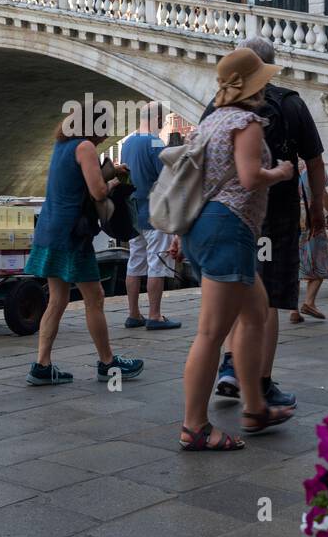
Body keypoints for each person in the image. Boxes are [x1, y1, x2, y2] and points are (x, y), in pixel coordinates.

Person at [173, 48, 296, 450]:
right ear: (254, 84)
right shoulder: (247, 122)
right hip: (230, 226)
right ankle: (195, 426)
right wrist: (280, 171)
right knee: (211, 332)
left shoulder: (211, 122)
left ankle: (255, 406)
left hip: (203, 225)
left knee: (256, 312)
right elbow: (248, 177)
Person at [207, 37, 326, 409]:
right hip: (276, 214)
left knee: (234, 289)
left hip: (227, 214)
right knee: (269, 298)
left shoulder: (217, 104)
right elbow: (315, 161)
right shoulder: (290, 104)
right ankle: (261, 379)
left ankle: (229, 366)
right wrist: (318, 207)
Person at [24, 118, 144, 386]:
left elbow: (76, 182)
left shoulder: (63, 145)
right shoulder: (85, 147)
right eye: (105, 129)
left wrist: (110, 171)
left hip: (50, 229)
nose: (107, 135)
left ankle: (42, 365)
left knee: (57, 300)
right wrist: (113, 184)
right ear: (93, 126)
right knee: (95, 298)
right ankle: (107, 363)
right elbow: (98, 192)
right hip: (72, 235)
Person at [121, 102, 181, 331]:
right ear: (156, 119)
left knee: (135, 262)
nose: (163, 124)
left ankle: (133, 314)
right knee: (157, 262)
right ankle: (155, 315)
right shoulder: (155, 142)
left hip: (133, 212)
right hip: (155, 212)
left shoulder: (128, 143)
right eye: (163, 120)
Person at [292, 157, 328, 323]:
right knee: (319, 259)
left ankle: (293, 310)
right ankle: (309, 302)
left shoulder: (286, 161)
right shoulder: (314, 163)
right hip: (311, 215)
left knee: (295, 262)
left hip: (291, 215)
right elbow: (321, 191)